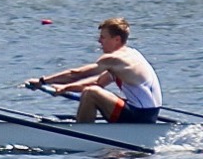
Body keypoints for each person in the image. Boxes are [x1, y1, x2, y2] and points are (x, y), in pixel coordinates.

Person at [25, 18, 162, 123]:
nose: (99, 41)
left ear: (116, 39)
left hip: (139, 116)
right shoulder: (131, 55)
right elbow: (98, 82)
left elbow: (76, 74)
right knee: (92, 90)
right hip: (148, 114)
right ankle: (85, 126)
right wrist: (64, 88)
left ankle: (81, 133)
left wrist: (42, 80)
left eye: (103, 37)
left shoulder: (115, 59)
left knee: (91, 93)